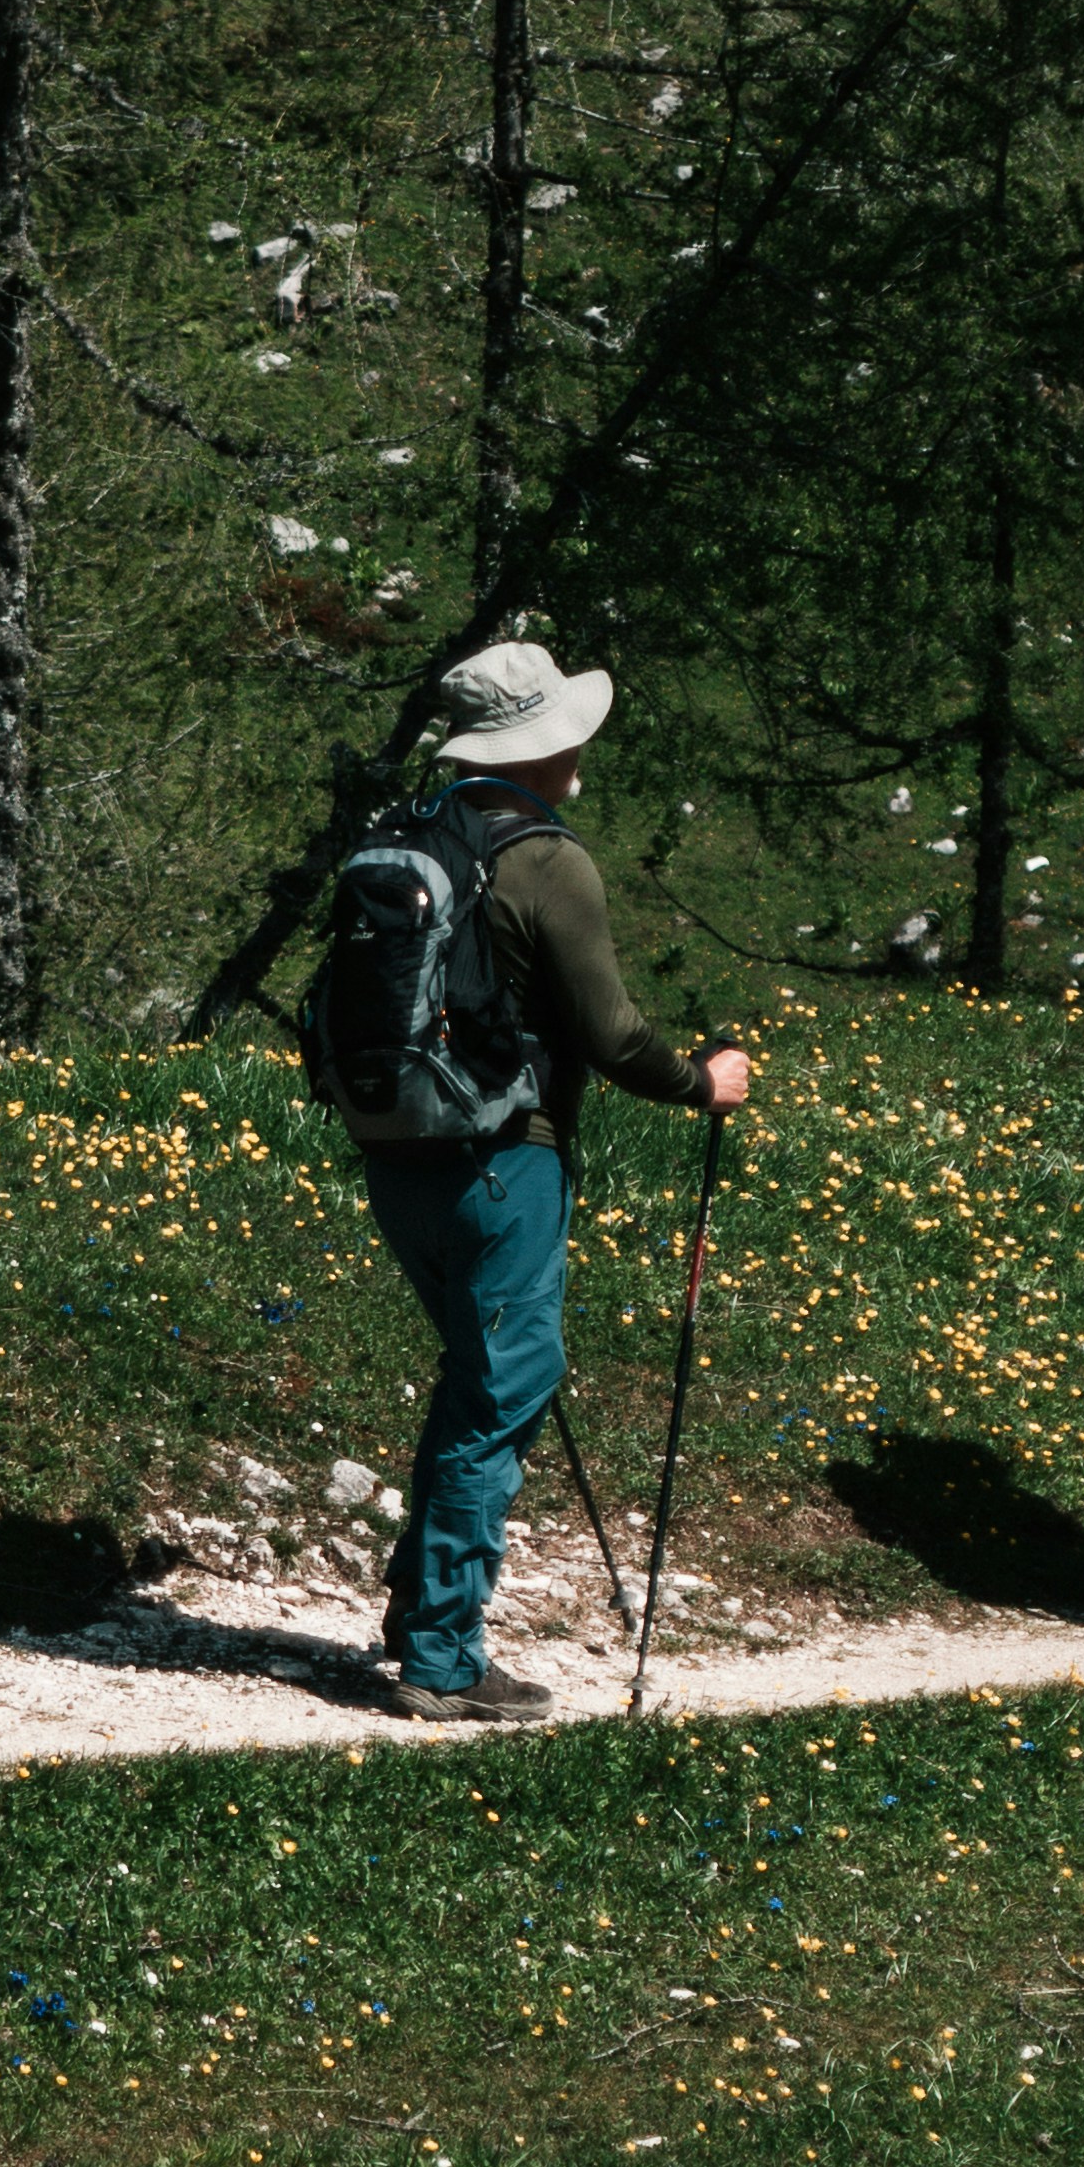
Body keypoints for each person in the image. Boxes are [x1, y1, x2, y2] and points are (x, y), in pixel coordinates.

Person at [352, 639, 748, 1725]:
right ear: (543, 745)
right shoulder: (544, 856)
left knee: (477, 1379)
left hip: (398, 1156)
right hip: (501, 1157)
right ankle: (441, 1658)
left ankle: (418, 1613)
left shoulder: (411, 836)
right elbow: (613, 1036)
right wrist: (700, 1081)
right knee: (502, 1390)